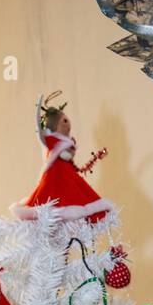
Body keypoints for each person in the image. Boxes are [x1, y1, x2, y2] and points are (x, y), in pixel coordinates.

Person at [11, 92, 113, 223]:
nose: (68, 124)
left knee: (73, 196)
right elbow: (64, 155)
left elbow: (66, 156)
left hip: (67, 173)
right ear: (54, 124)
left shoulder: (64, 142)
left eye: (68, 121)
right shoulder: (53, 141)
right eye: (64, 121)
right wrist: (67, 152)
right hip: (58, 176)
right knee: (58, 196)